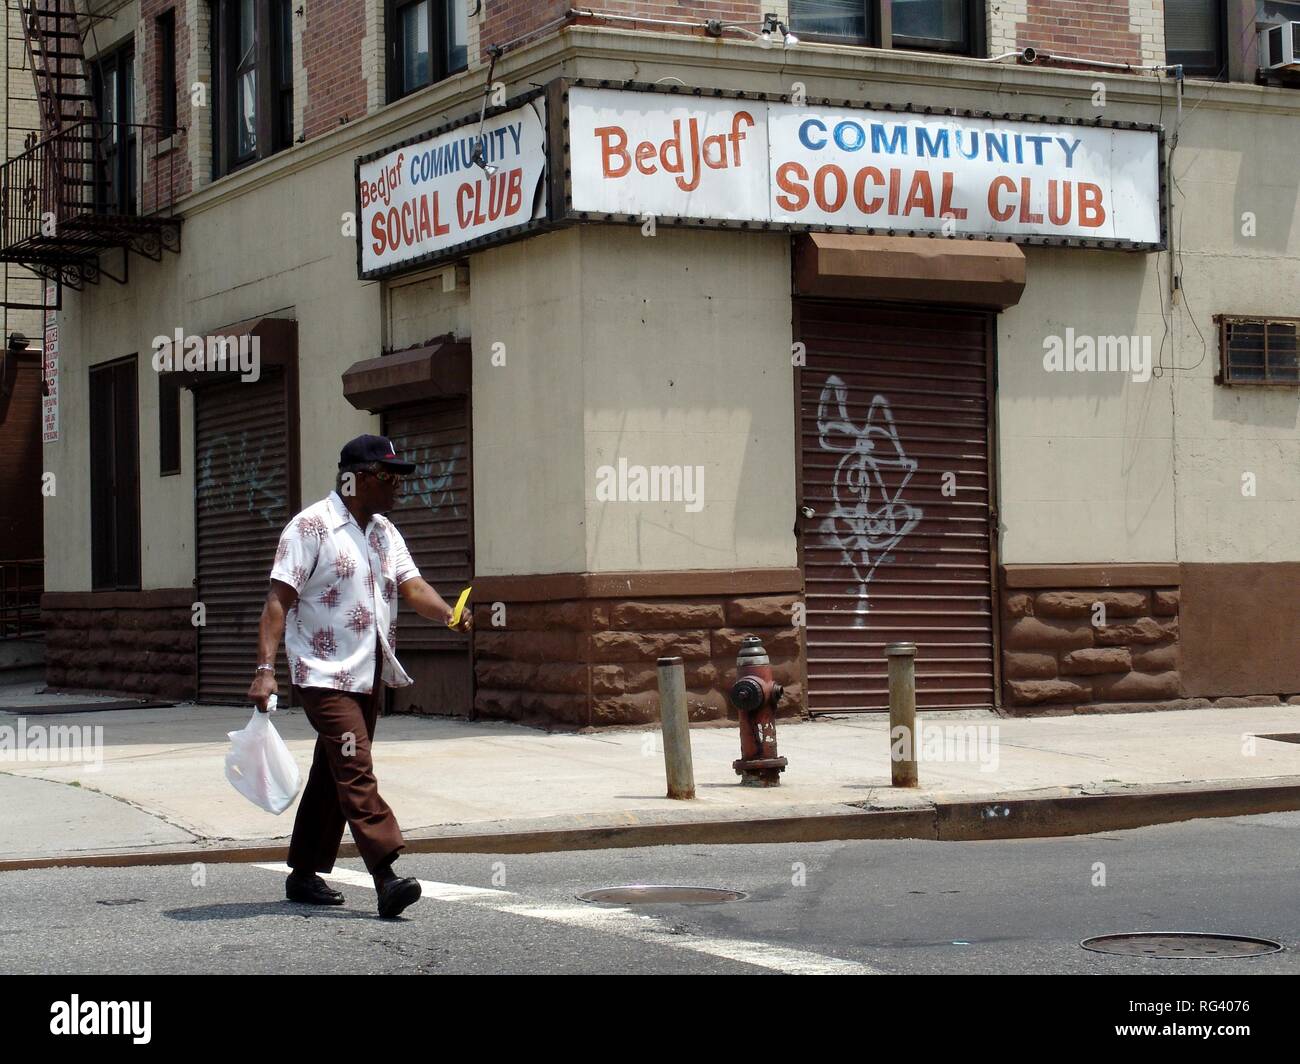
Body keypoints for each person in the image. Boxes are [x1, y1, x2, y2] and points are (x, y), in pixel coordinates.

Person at [247, 433, 471, 919]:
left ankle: (303, 873)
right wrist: (265, 671)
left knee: (333, 772)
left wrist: (450, 616)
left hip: (367, 672)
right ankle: (386, 874)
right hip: (321, 673)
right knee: (355, 766)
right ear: (356, 479)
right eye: (388, 478)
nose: (397, 488)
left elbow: (413, 588)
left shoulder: (384, 532)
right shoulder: (310, 528)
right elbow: (276, 603)